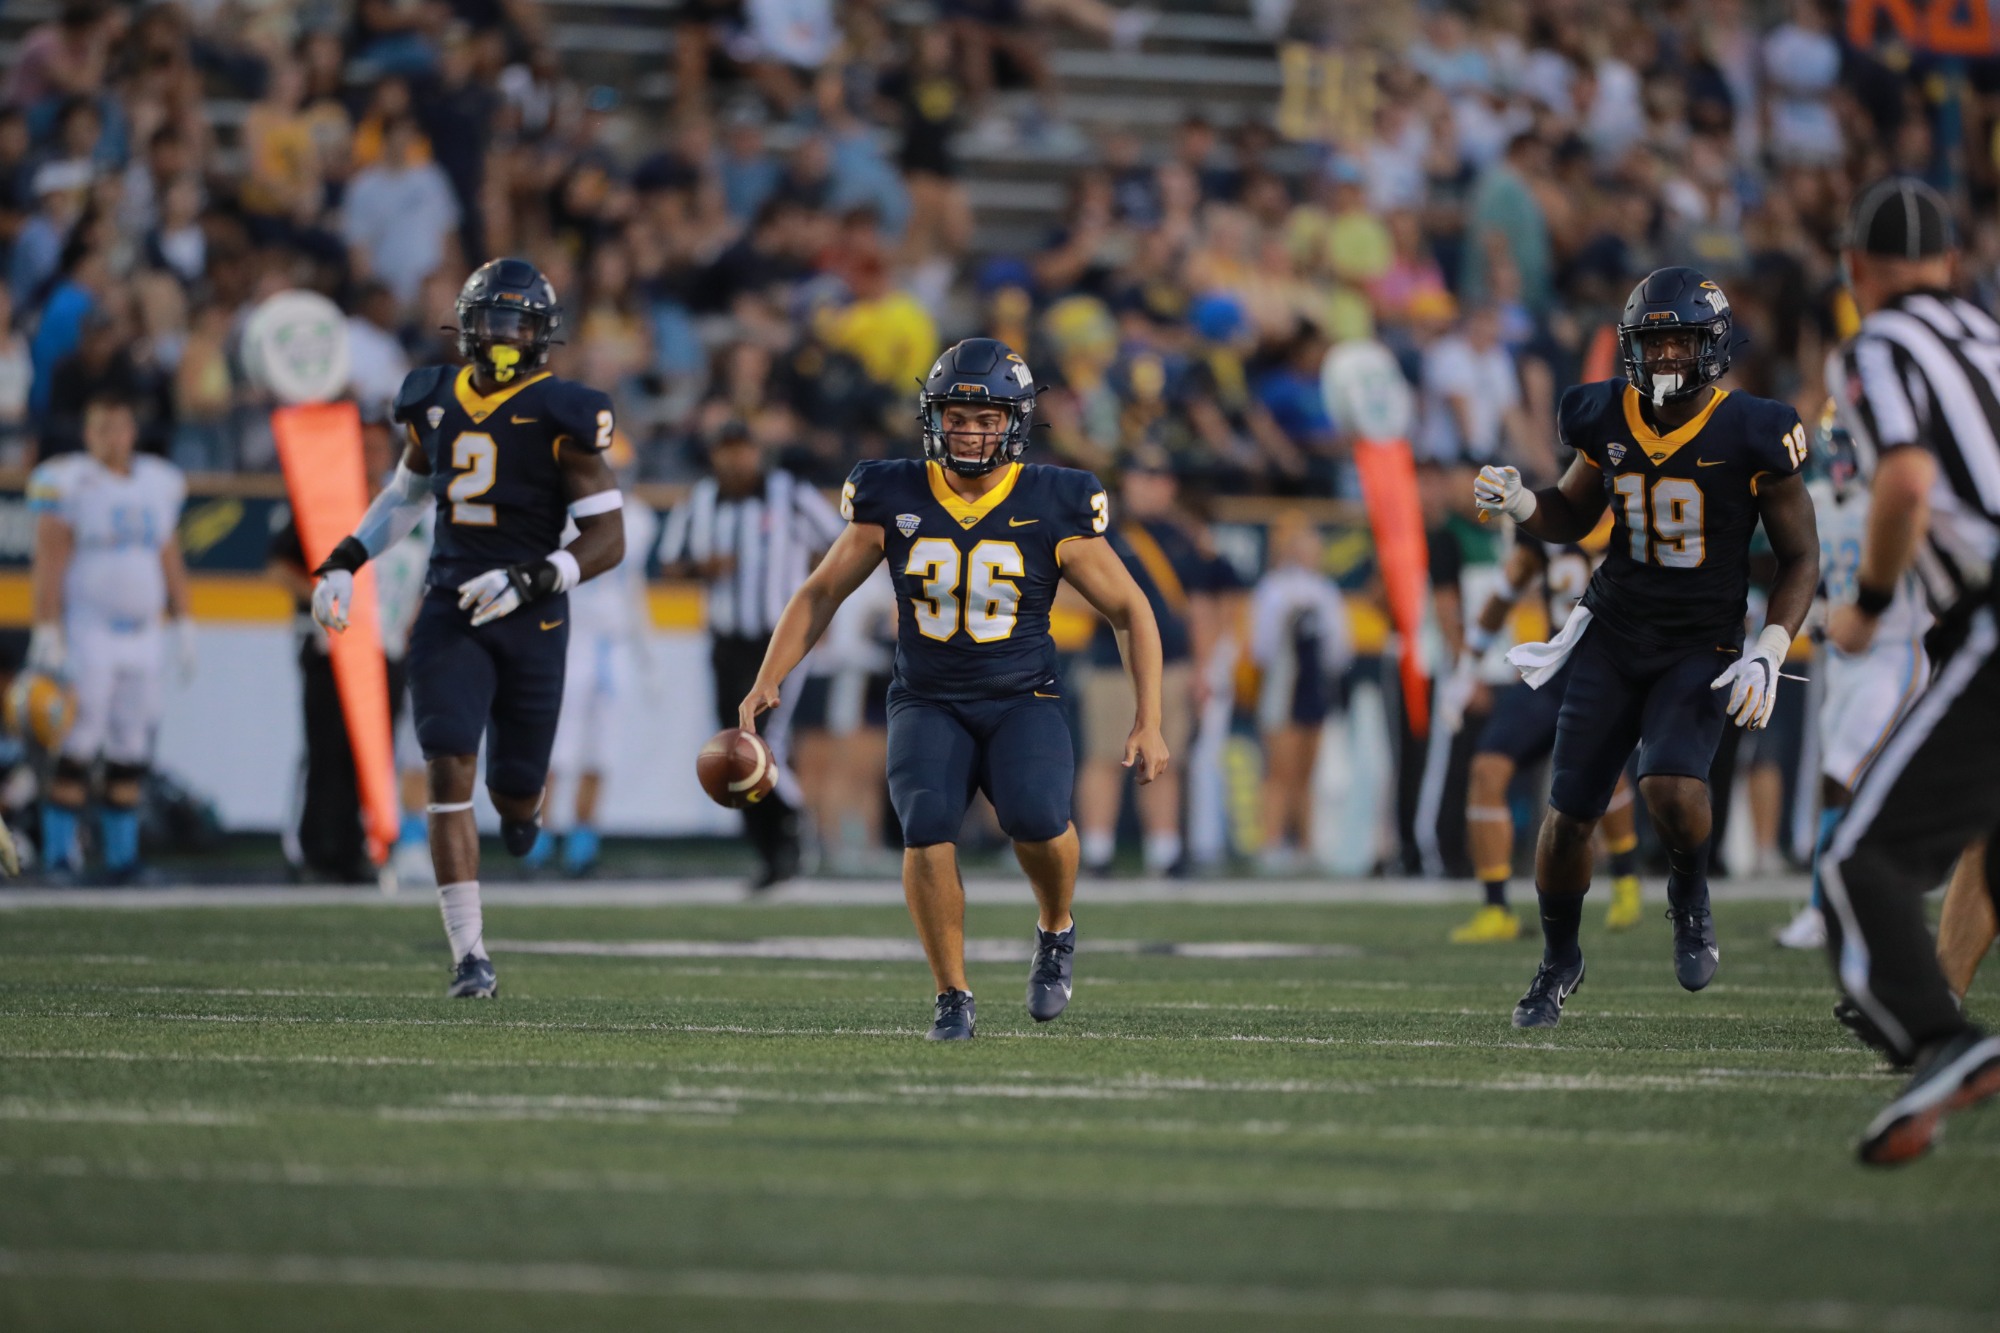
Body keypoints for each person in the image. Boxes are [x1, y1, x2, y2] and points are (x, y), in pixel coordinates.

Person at [739, 337, 1167, 1041]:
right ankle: (952, 994)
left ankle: (1056, 926)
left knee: (1037, 816)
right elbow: (820, 592)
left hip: (1021, 694)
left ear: (1017, 422)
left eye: (988, 418)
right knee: (926, 824)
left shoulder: (1056, 499)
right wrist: (768, 676)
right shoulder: (893, 490)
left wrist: (1148, 717)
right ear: (933, 417)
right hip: (927, 696)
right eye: (958, 417)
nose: (971, 432)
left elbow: (1130, 609)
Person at [1474, 265, 1819, 1027]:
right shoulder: (1603, 415)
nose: (1665, 357)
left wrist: (1768, 646)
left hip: (1702, 640)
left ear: (1713, 346)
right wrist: (1525, 501)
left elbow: (1801, 557)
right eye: (1653, 342)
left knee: (1670, 784)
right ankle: (1559, 958)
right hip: (1615, 627)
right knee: (1567, 817)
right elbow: (1572, 512)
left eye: (1679, 341)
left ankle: (1689, 891)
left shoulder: (1755, 429)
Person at [308, 258, 626, 999]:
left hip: (533, 613)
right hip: (452, 602)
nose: (507, 335)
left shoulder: (563, 412)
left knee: (515, 791)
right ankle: (469, 955)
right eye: (496, 319)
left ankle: (524, 811)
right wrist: (344, 558)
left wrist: (534, 577)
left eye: (521, 322)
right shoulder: (433, 398)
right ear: (468, 324)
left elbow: (608, 540)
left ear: (542, 334)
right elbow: (408, 494)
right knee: (448, 763)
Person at [1820, 177, 2000, 1164]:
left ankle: (1937, 1042)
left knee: (1861, 858)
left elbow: (1902, 476)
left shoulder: (1879, 346)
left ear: (1854, 270)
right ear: (1948, 262)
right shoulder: (1987, 334)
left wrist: (1874, 604)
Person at [656, 420, 845, 890]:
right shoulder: (700, 499)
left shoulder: (790, 494)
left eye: (743, 450)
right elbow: (670, 563)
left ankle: (793, 826)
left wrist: (819, 611)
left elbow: (840, 547)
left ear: (757, 453)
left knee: (762, 740)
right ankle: (773, 850)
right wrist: (704, 568)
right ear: (715, 454)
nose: (736, 461)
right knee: (732, 748)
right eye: (727, 451)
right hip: (726, 639)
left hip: (778, 639)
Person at [1441, 531, 1645, 942]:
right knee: (1486, 770)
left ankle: (1626, 881)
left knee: (1604, 771)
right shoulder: (1552, 525)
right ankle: (1496, 908)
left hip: (1608, 669)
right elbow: (1505, 592)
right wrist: (1467, 669)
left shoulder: (1636, 509)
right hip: (1553, 671)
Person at [25, 388, 195, 881]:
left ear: (132, 431)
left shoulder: (157, 483)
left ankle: (122, 857)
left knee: (131, 745)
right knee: (78, 739)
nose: (111, 438)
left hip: (143, 633)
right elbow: (49, 559)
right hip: (89, 631)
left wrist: (183, 619)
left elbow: (168, 555)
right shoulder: (69, 482)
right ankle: (61, 854)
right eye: (101, 428)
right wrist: (47, 625)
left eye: (118, 427)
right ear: (87, 434)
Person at [1776, 403, 1928, 951]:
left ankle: (1837, 909)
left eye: (1847, 442)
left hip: (1892, 653)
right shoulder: (1817, 502)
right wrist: (1815, 617)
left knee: (1844, 778)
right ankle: (1843, 906)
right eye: (1833, 442)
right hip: (1841, 664)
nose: (1840, 455)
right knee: (1842, 785)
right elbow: (1812, 582)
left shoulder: (1891, 501)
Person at [1074, 451, 1211, 878]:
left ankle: (1164, 849)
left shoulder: (1184, 537)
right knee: (1103, 757)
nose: (1153, 485)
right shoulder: (1102, 533)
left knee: (1164, 759)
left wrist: (1203, 668)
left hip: (1170, 666)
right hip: (1112, 663)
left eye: (1160, 476)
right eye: (1144, 475)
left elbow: (1200, 607)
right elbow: (1068, 592)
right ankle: (1096, 850)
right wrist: (1117, 611)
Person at [526, 437, 657, 878]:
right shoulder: (560, 519)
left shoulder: (637, 521)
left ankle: (584, 841)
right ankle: (539, 835)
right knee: (555, 747)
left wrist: (646, 653)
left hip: (613, 643)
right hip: (570, 639)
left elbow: (632, 590)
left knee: (603, 749)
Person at [1249, 510, 1350, 874]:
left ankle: (1306, 845)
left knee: (1306, 772)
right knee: (1280, 770)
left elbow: (1340, 648)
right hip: (1284, 685)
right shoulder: (1274, 589)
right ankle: (1271, 842)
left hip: (1312, 687)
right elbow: (1262, 647)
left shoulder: (1325, 591)